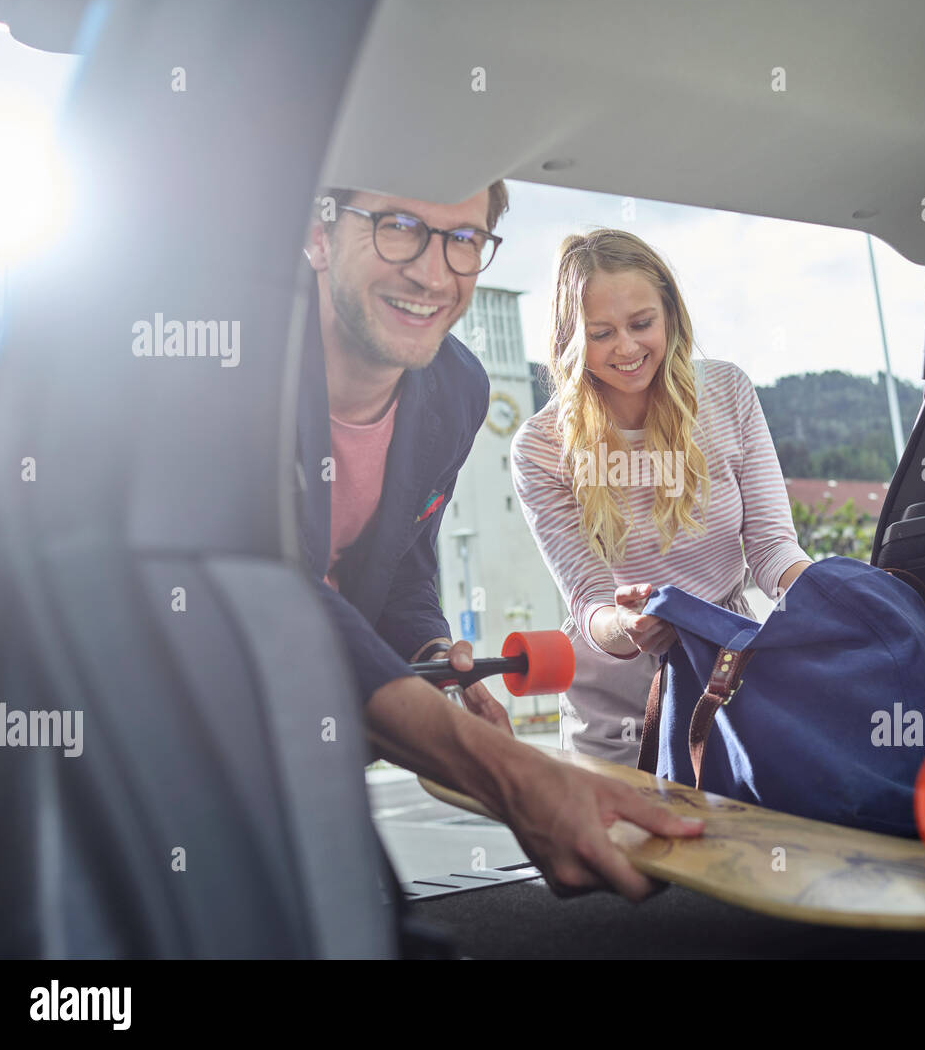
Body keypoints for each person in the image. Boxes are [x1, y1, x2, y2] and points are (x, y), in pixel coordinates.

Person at [300, 189, 703, 900]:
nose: (434, 274)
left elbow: (401, 575)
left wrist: (432, 659)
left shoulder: (458, 389)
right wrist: (507, 771)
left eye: (464, 238)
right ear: (317, 233)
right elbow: (273, 592)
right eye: (398, 228)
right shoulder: (229, 364)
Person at [511, 229, 812, 765]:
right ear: (570, 339)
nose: (626, 348)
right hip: (615, 695)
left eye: (641, 324)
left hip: (725, 667)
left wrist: (825, 593)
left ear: (670, 314)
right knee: (627, 845)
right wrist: (628, 627)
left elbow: (770, 549)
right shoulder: (539, 446)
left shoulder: (728, 393)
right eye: (601, 333)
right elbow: (590, 601)